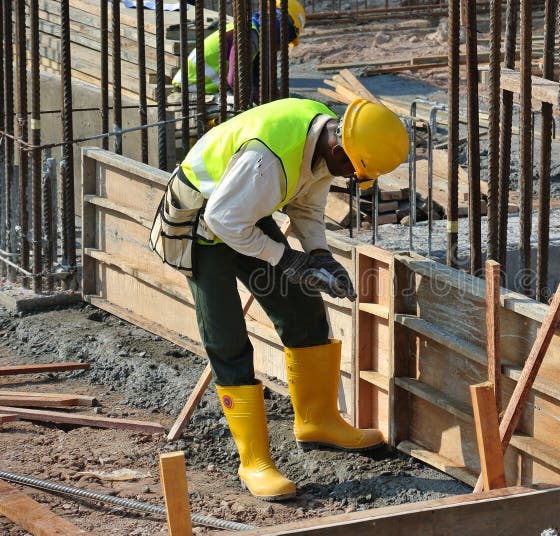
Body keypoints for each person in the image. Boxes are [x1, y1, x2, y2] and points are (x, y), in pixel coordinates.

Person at [149, 97, 408, 501]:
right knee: (228, 337)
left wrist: (320, 256)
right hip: (203, 221)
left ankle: (317, 420)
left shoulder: (327, 143)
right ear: (340, 150)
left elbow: (306, 204)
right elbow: (222, 219)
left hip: (242, 209)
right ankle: (253, 461)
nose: (348, 179)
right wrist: (286, 257)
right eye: (352, 172)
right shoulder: (267, 162)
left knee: (301, 309)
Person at [172, 0, 306, 103]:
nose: (282, 47)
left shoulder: (257, 36)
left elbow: (257, 82)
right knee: (244, 111)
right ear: (280, 25)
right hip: (191, 92)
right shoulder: (249, 34)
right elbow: (236, 82)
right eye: (287, 38)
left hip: (207, 90)